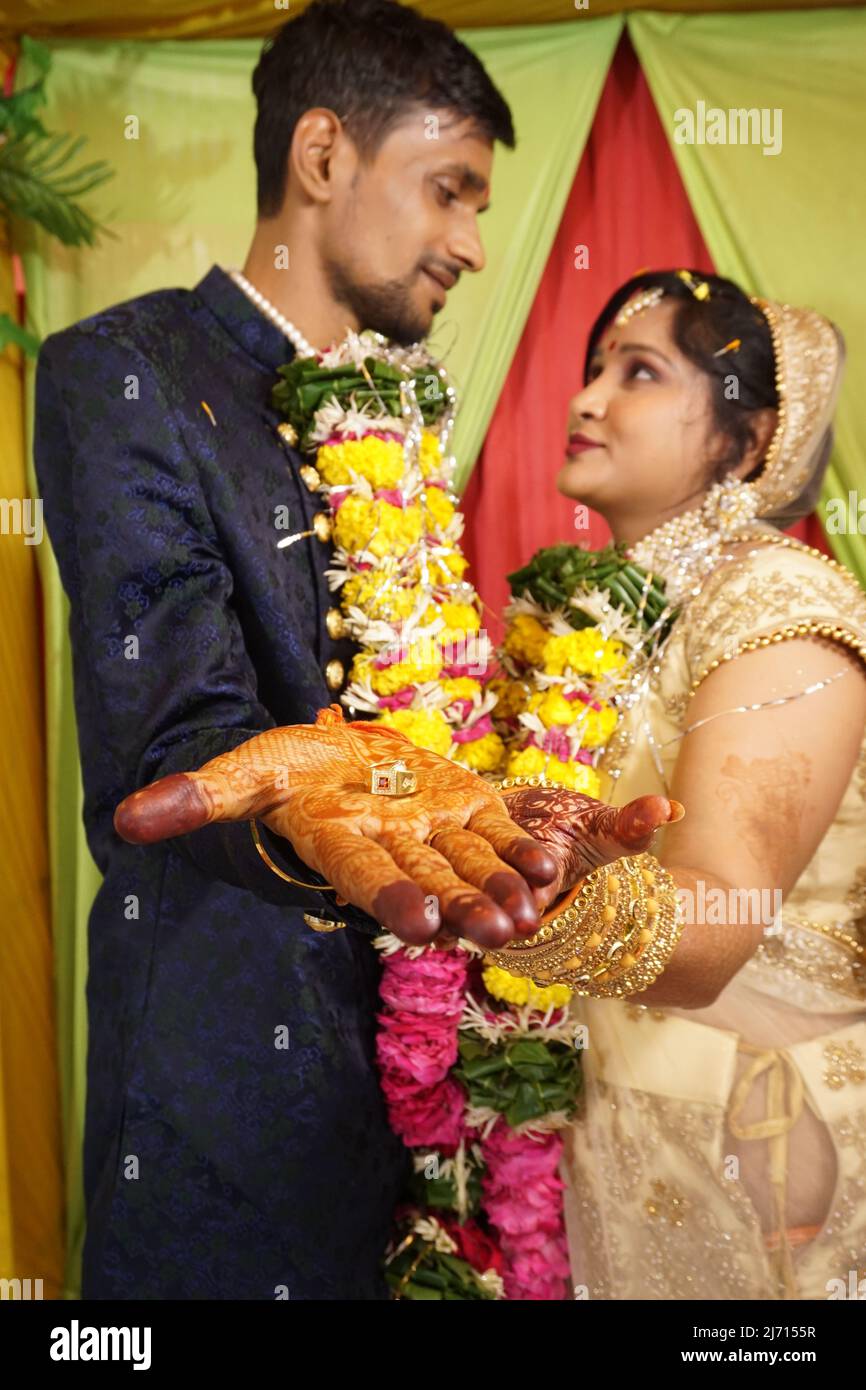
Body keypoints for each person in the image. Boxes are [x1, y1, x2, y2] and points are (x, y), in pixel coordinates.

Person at [32, 0, 534, 1301]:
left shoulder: (394, 414)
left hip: (409, 1112)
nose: (473, 245)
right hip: (231, 1110)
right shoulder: (127, 371)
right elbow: (176, 747)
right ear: (322, 157)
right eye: (447, 191)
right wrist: (345, 793)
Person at [537, 270, 866, 1299]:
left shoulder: (775, 594)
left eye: (637, 372)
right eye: (593, 368)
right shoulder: (596, 620)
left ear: (744, 438)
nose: (587, 399)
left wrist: (483, 894)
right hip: (616, 1134)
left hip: (751, 1149)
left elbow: (713, 921)